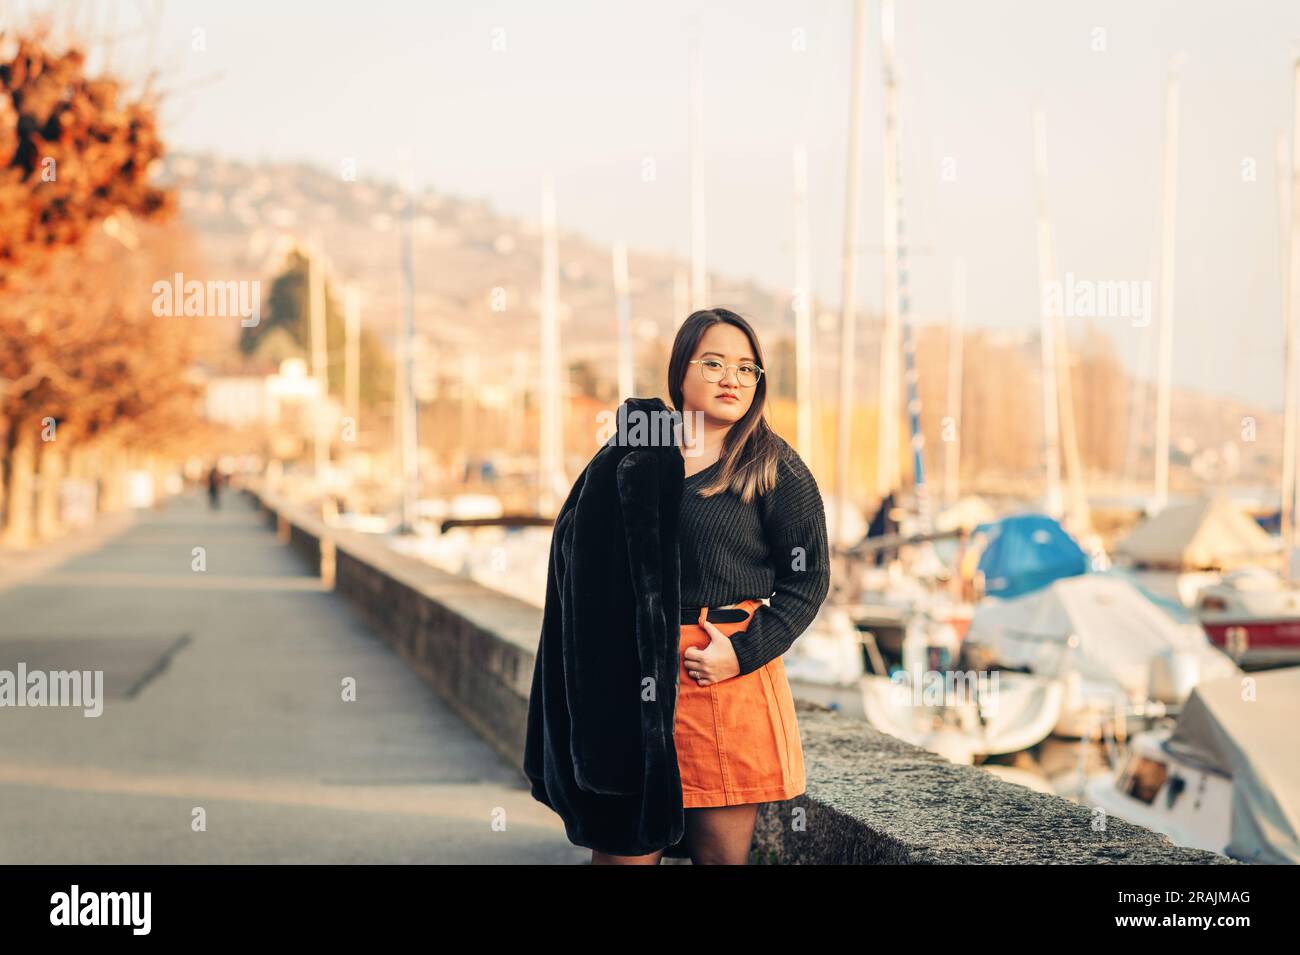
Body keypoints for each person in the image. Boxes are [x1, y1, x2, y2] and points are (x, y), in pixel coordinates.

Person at [590, 308, 832, 865]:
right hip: (637, 683)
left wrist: (740, 653)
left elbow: (810, 577)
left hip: (720, 677)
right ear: (681, 370)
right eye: (715, 363)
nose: (732, 379)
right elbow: (585, 563)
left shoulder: (773, 465)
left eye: (747, 368)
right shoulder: (637, 453)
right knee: (623, 853)